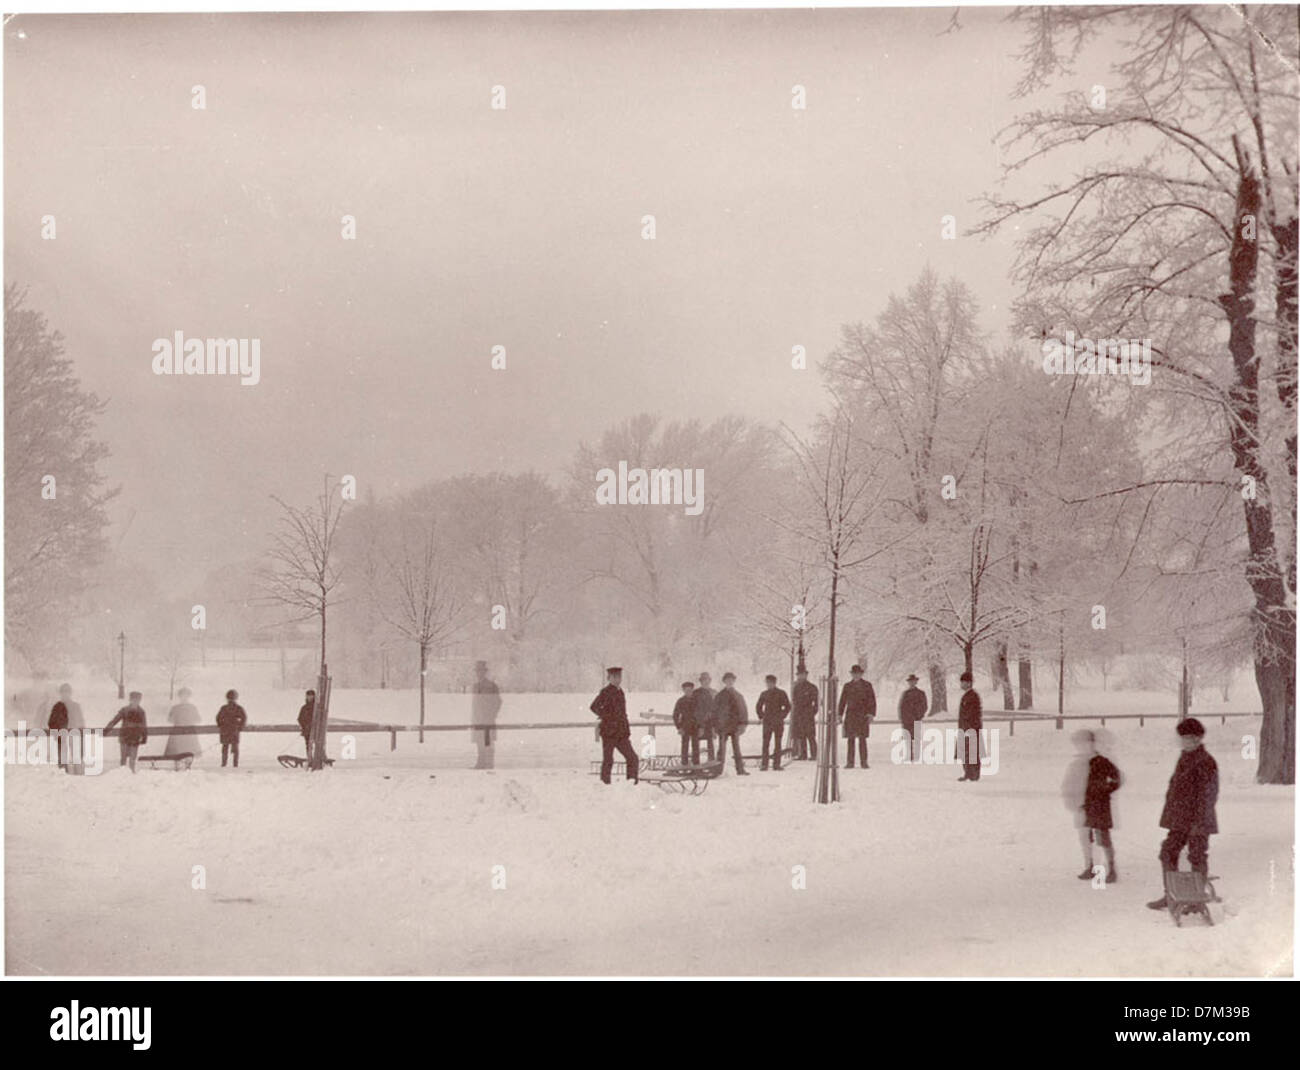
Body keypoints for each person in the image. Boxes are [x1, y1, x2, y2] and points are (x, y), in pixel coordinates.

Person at [1146, 718, 1219, 911]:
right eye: (1183, 738)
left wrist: (1198, 824)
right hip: (1180, 821)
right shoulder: (1184, 758)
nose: (1185, 742)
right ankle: (1170, 893)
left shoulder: (1206, 762)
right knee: (1167, 852)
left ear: (1198, 739)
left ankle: (1197, 900)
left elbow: (1208, 796)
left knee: (1197, 856)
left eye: (1189, 738)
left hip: (1198, 821)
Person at [1064, 730, 1122, 882]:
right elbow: (1069, 784)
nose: (1081, 747)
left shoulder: (1101, 761)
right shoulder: (1076, 763)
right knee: (1084, 836)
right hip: (1081, 806)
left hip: (1099, 806)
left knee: (1103, 837)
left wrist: (1106, 790)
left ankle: (1111, 869)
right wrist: (1072, 801)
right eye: (1078, 744)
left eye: (1085, 743)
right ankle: (1089, 866)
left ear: (1092, 743)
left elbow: (1117, 778)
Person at [591, 666, 638, 785]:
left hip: (621, 733)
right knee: (608, 760)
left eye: (619, 677)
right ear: (609, 678)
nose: (617, 679)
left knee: (632, 758)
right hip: (609, 733)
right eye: (614, 677)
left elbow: (622, 713)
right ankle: (604, 785)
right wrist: (607, 717)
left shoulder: (620, 692)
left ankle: (631, 784)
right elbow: (594, 707)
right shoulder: (605, 692)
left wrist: (626, 729)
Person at [839, 665, 876, 768]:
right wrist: (839, 714)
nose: (856, 675)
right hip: (850, 715)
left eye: (858, 673)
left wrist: (871, 714)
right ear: (851, 674)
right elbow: (842, 701)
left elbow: (872, 700)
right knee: (850, 740)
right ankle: (850, 762)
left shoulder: (867, 686)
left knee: (862, 739)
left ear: (861, 674)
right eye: (854, 673)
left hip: (862, 715)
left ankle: (864, 762)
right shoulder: (847, 686)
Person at [713, 672, 750, 775]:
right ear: (724, 682)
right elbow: (714, 711)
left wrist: (743, 724)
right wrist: (715, 726)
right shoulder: (719, 696)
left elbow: (743, 711)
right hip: (723, 726)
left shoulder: (738, 696)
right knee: (721, 749)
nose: (729, 682)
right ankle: (718, 770)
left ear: (734, 681)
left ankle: (740, 769)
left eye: (731, 680)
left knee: (736, 748)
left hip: (734, 727)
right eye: (727, 680)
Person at [48, 683, 86, 775]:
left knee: (76, 756)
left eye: (67, 692)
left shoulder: (76, 706)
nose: (65, 694)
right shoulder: (57, 707)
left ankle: (79, 776)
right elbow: (51, 722)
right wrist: (56, 733)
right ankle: (64, 775)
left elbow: (81, 721)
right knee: (62, 757)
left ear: (70, 693)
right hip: (62, 735)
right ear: (60, 694)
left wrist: (81, 733)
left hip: (74, 734)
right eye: (63, 692)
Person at [470, 660, 502, 770]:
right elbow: (475, 703)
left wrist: (492, 714)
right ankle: (481, 763)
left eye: (481, 671)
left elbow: (497, 702)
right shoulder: (475, 686)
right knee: (480, 741)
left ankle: (488, 763)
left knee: (488, 741)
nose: (479, 673)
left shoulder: (492, 686)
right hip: (478, 718)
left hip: (487, 719)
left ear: (485, 672)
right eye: (477, 671)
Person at [105, 692, 148, 772]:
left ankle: (131, 774)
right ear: (130, 700)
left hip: (135, 738)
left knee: (132, 759)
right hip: (125, 737)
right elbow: (115, 720)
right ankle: (122, 774)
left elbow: (144, 725)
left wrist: (144, 737)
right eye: (133, 699)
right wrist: (107, 729)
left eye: (137, 700)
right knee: (123, 759)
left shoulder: (141, 712)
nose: (135, 701)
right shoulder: (124, 710)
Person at [756, 674, 791, 771]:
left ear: (775, 683)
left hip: (778, 722)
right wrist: (762, 716)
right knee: (765, 743)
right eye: (767, 683)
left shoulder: (781, 693)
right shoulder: (764, 694)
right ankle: (764, 764)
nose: (769, 684)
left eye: (771, 683)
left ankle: (777, 764)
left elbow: (787, 706)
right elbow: (758, 706)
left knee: (778, 743)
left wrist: (782, 716)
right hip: (767, 722)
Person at [165, 687, 203, 762]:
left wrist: (189, 720)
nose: (184, 697)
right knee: (177, 752)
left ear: (189, 697)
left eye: (186, 695)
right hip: (178, 733)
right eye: (182, 695)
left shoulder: (192, 708)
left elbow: (198, 719)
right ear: (180, 697)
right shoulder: (175, 708)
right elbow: (170, 719)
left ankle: (187, 765)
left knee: (189, 752)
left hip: (189, 733)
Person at [956, 671, 982, 781]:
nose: (961, 684)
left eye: (963, 682)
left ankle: (974, 774)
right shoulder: (967, 696)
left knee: (972, 750)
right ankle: (967, 772)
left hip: (971, 728)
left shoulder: (973, 696)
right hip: (965, 728)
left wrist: (970, 727)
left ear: (969, 683)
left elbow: (973, 714)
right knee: (965, 751)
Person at [898, 673, 928, 763]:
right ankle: (910, 754)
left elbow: (924, 706)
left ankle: (917, 755)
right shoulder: (905, 694)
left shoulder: (921, 693)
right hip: (907, 719)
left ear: (916, 682)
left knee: (917, 737)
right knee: (908, 738)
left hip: (916, 718)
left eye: (914, 681)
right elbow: (901, 706)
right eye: (910, 681)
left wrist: (919, 715)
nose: (912, 683)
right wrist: (902, 717)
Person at [791, 668, 819, 760]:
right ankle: (803, 754)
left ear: (806, 675)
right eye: (799, 675)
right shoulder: (796, 687)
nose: (800, 676)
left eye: (802, 674)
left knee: (810, 735)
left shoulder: (812, 687)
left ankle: (814, 754)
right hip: (799, 715)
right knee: (801, 735)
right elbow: (794, 701)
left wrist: (812, 712)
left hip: (808, 714)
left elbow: (816, 702)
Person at [216, 689, 247, 768]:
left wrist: (221, 725)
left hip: (226, 730)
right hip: (234, 730)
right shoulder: (238, 708)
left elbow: (218, 718)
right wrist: (240, 727)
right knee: (235, 748)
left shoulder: (224, 708)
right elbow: (244, 718)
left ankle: (224, 764)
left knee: (225, 748)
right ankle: (235, 764)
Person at [693, 672, 717, 762]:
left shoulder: (714, 693)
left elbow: (717, 710)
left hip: (710, 723)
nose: (705, 682)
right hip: (698, 723)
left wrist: (715, 726)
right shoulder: (696, 693)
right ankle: (696, 764)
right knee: (695, 744)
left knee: (711, 744)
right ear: (700, 681)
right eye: (703, 680)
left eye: (707, 680)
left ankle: (711, 762)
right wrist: (699, 725)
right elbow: (694, 709)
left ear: (710, 681)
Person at [673, 681, 699, 765]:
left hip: (695, 726)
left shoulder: (697, 700)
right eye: (686, 690)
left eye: (690, 690)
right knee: (684, 746)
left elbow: (701, 714)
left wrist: (701, 726)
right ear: (683, 690)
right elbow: (675, 715)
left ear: (692, 690)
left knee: (695, 746)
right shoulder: (680, 701)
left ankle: (696, 764)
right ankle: (684, 764)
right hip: (685, 726)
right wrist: (679, 727)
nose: (688, 692)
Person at [298, 689, 317, 758]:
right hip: (307, 730)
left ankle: (317, 758)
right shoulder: (304, 708)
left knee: (317, 745)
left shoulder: (317, 707)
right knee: (308, 745)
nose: (309, 698)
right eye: (308, 696)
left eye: (311, 696)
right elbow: (300, 718)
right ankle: (309, 758)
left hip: (316, 730)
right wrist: (304, 726)